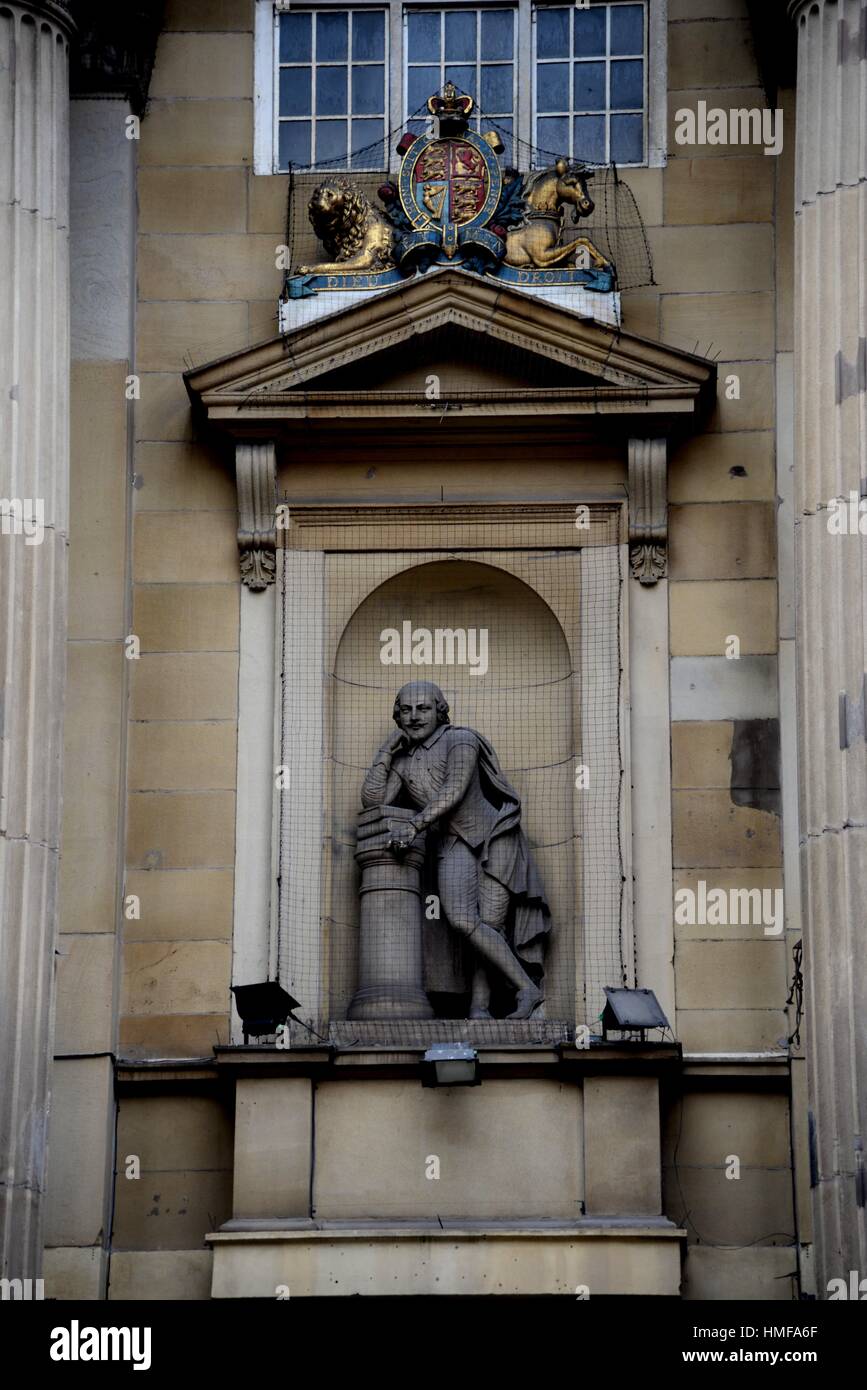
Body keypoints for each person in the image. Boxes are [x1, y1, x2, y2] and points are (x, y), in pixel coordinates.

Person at [361, 680, 551, 1019]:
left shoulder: (460, 739)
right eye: (406, 710)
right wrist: (386, 752)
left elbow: (454, 790)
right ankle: (528, 989)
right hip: (453, 844)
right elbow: (373, 802)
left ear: (439, 711)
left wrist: (415, 825)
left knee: (488, 926)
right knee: (464, 921)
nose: (414, 716)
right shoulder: (403, 764)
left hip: (495, 838)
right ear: (398, 716)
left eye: (423, 708)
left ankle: (481, 1007)